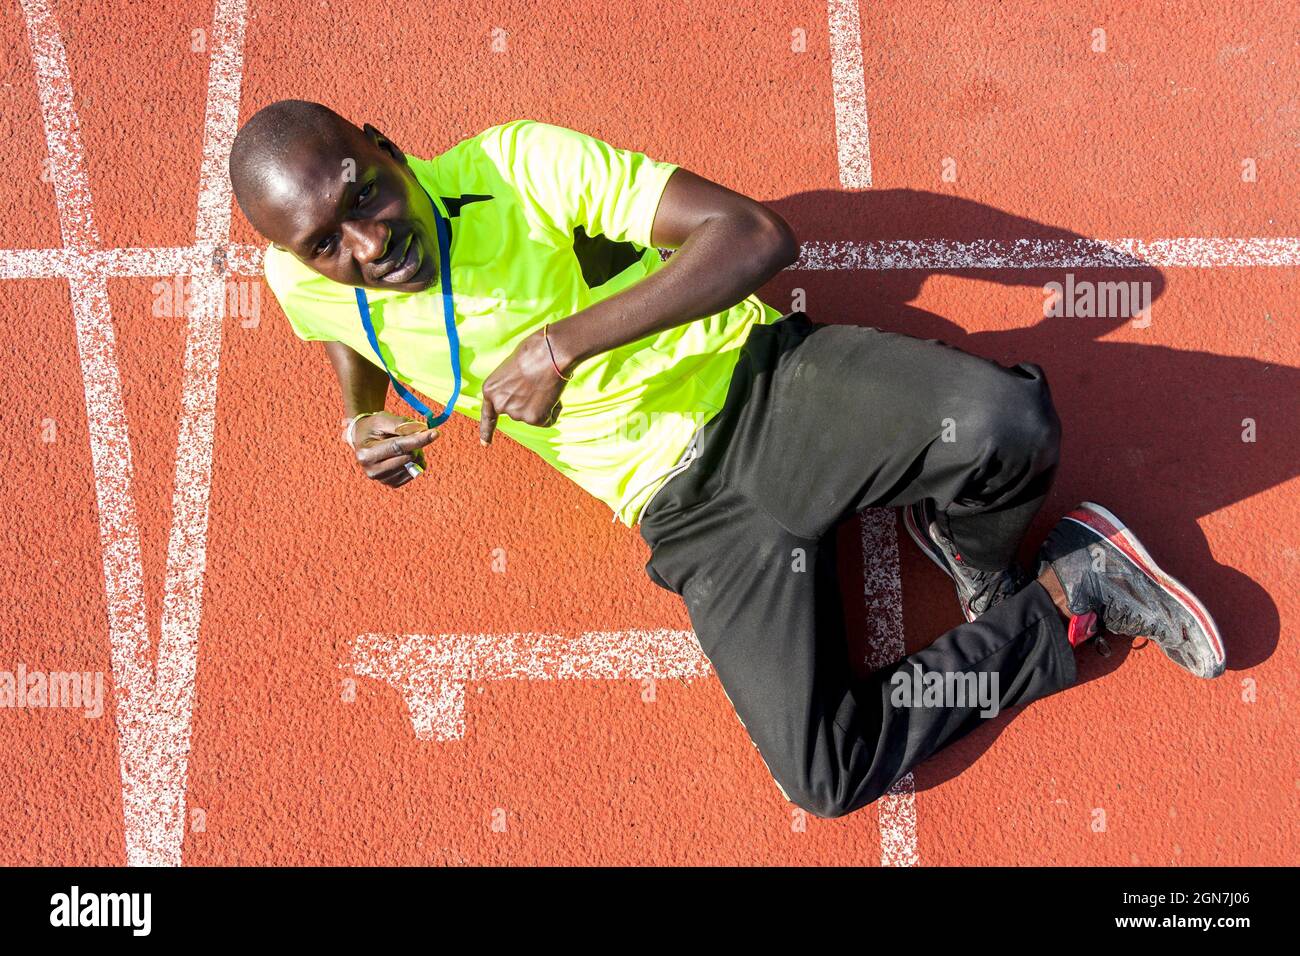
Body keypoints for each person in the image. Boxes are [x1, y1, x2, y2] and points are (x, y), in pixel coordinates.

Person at [228, 99, 1225, 819]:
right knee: (823, 773)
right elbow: (341, 331)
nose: (370, 241)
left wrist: (561, 344)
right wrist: (361, 422)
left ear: (387, 144)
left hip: (764, 390)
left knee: (1006, 421)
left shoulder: (518, 164)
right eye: (327, 241)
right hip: (690, 516)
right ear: (296, 254)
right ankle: (1072, 596)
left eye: (369, 192)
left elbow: (752, 234)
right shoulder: (303, 280)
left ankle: (966, 543)